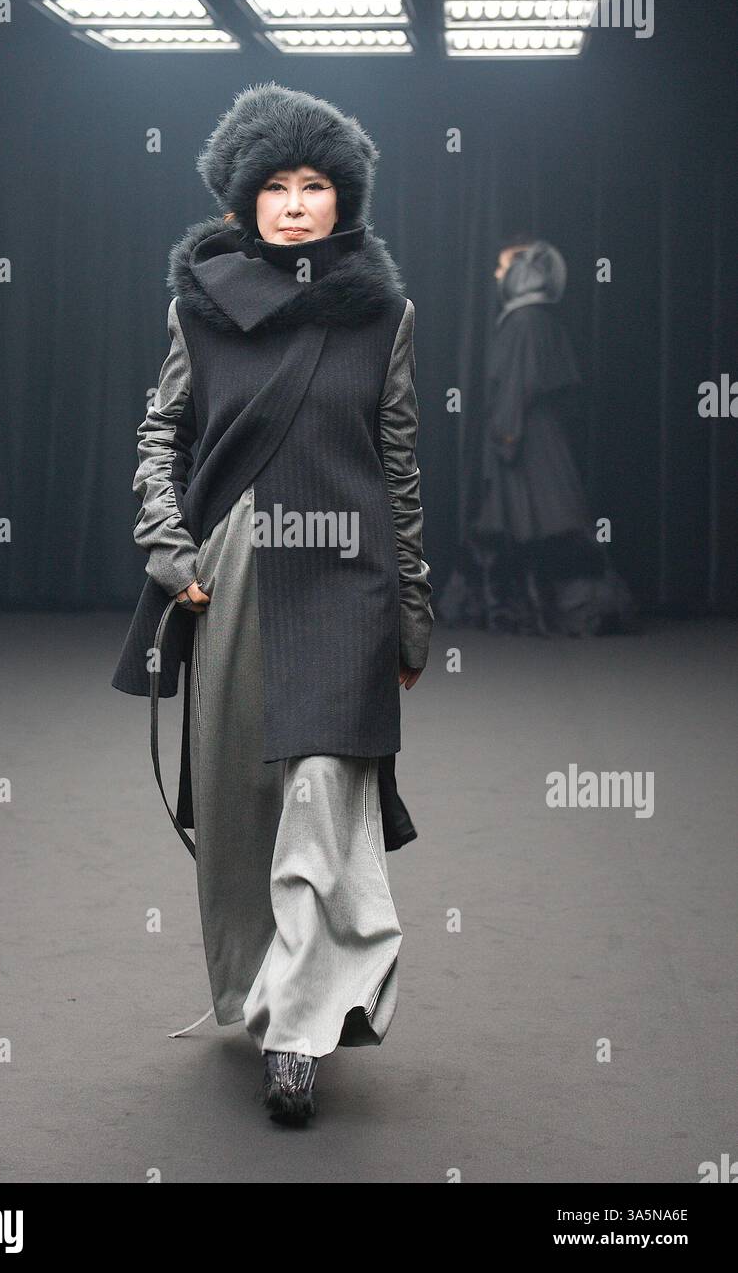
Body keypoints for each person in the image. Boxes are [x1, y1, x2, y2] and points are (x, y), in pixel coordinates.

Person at [111, 84, 433, 1126]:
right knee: (246, 809)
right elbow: (160, 439)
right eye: (277, 187)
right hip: (235, 568)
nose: (295, 205)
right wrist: (169, 549)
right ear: (244, 199)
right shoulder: (198, 306)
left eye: (316, 186)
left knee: (319, 803)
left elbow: (398, 462)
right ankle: (261, 995)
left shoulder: (385, 312)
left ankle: (297, 1034)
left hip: (347, 571)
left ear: (343, 201)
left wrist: (412, 602)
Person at [441, 236, 637, 636]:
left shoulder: (525, 321)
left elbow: (516, 386)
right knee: (514, 521)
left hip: (527, 439)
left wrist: (505, 436)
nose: (497, 274)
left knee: (551, 519)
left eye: (504, 266)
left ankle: (585, 612)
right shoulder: (536, 318)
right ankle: (511, 609)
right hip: (531, 436)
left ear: (524, 270)